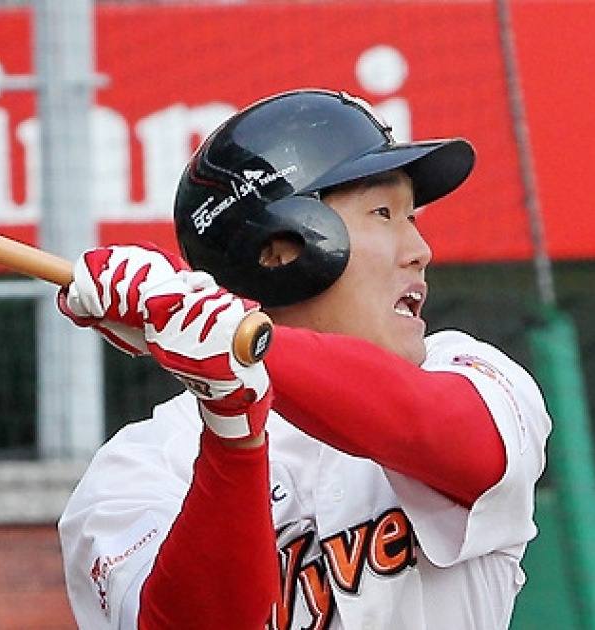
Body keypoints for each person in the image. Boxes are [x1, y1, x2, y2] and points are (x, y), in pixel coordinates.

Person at [56, 89, 551, 630]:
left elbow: (451, 437)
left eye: (413, 217)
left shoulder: (468, 369)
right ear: (282, 248)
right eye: (383, 213)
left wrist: (239, 344)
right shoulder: (139, 466)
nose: (419, 250)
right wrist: (232, 426)